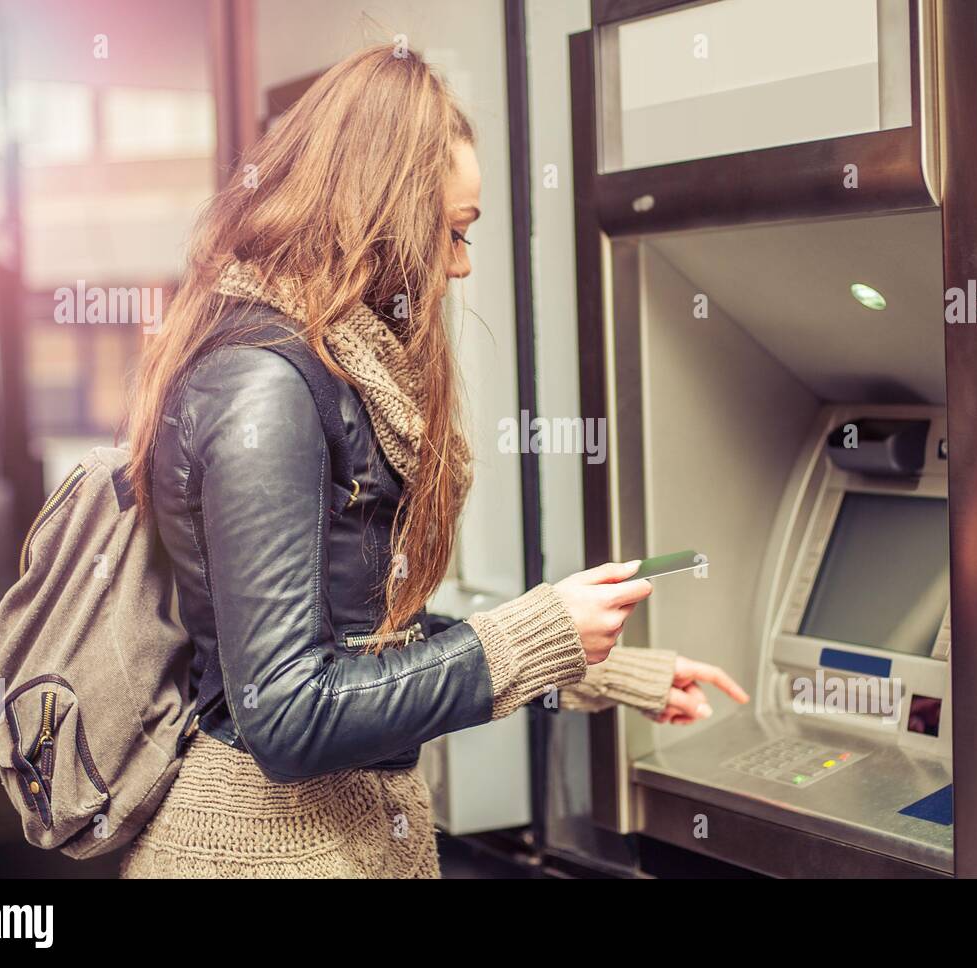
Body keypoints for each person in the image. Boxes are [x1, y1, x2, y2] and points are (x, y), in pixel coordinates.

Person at [118, 41, 747, 879]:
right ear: (376, 214)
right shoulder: (265, 385)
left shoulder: (322, 368)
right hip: (258, 853)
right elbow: (289, 713)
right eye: (452, 231)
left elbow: (361, 644)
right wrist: (537, 633)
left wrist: (597, 666)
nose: (461, 263)